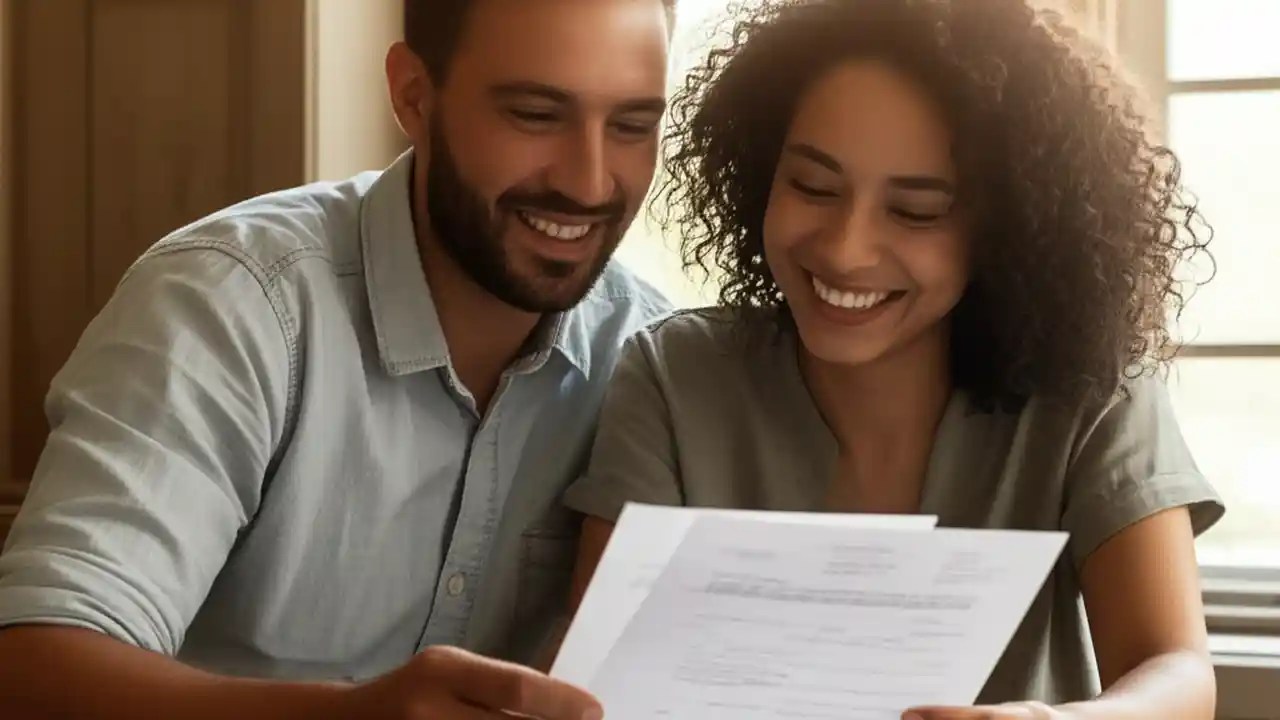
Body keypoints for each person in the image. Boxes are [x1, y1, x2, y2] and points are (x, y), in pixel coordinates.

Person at [0, 0, 673, 717]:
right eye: (536, 115)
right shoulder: (232, 301)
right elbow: (33, 668)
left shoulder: (653, 361)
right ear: (414, 96)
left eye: (632, 126)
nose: (590, 182)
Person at [563, 1, 1223, 718]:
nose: (847, 249)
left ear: (1005, 228)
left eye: (916, 212)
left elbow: (1178, 672)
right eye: (813, 187)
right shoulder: (673, 377)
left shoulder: (1093, 392)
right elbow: (601, 685)